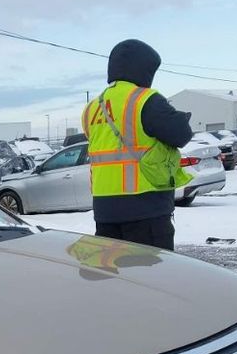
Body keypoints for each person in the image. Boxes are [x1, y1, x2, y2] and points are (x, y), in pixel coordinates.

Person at [82, 39, 193, 251]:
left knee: (115, 278)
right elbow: (181, 134)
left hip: (105, 211)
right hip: (145, 209)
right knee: (150, 278)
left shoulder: (91, 108)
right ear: (143, 68)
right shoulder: (144, 99)